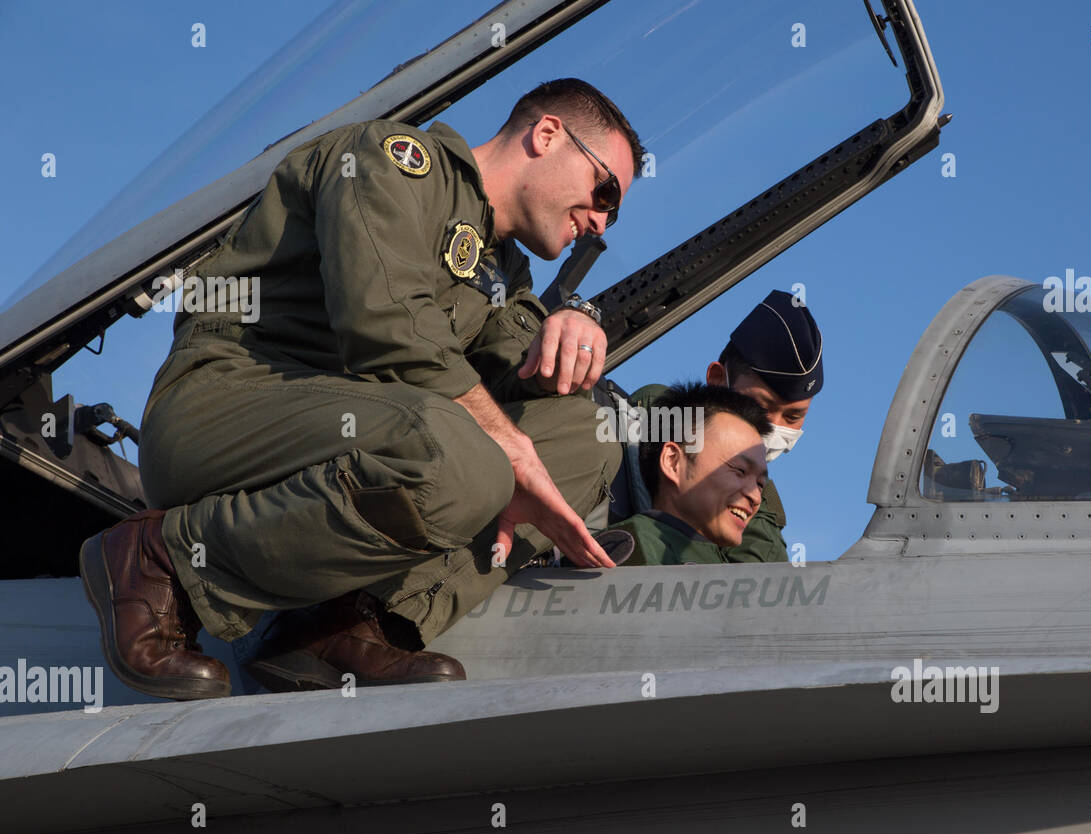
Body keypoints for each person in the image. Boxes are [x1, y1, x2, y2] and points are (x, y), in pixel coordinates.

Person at [78, 78, 644, 700]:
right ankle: (162, 557)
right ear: (546, 136)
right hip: (226, 410)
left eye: (613, 214)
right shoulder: (390, 160)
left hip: (357, 443)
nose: (600, 222)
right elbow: (384, 323)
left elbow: (519, 382)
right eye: (604, 191)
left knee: (588, 433)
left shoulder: (502, 271)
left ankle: (338, 624)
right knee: (463, 456)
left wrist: (570, 327)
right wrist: (502, 447)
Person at [617, 289, 823, 563]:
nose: (772, 427)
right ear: (717, 379)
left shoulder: (762, 497)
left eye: (793, 417)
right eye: (762, 407)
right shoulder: (659, 412)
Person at [601, 383, 771, 566]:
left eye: (760, 484)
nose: (755, 496)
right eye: (740, 471)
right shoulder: (630, 551)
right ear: (673, 461)